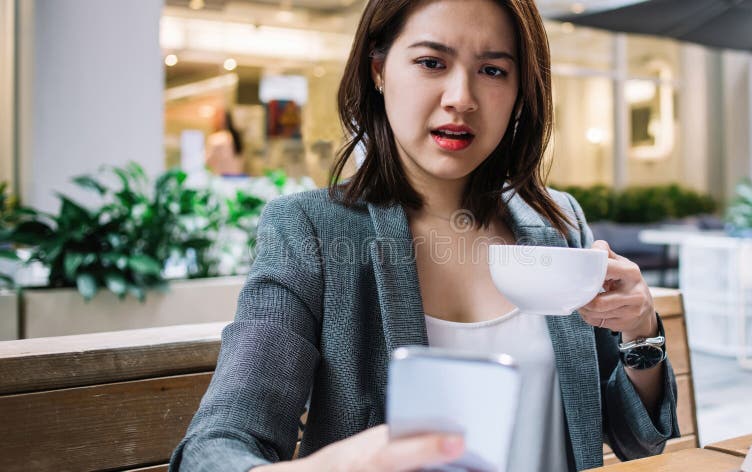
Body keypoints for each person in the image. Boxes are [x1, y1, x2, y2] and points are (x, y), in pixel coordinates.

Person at [169, 0, 679, 471]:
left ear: (521, 92)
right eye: (432, 62)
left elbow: (635, 440)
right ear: (378, 70)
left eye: (493, 70)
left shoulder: (559, 223)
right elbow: (216, 444)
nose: (461, 98)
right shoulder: (310, 232)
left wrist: (640, 331)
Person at [206, 109, 246, 176]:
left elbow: (207, 161)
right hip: (235, 177)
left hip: (221, 178)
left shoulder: (217, 139)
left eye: (215, 117)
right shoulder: (235, 137)